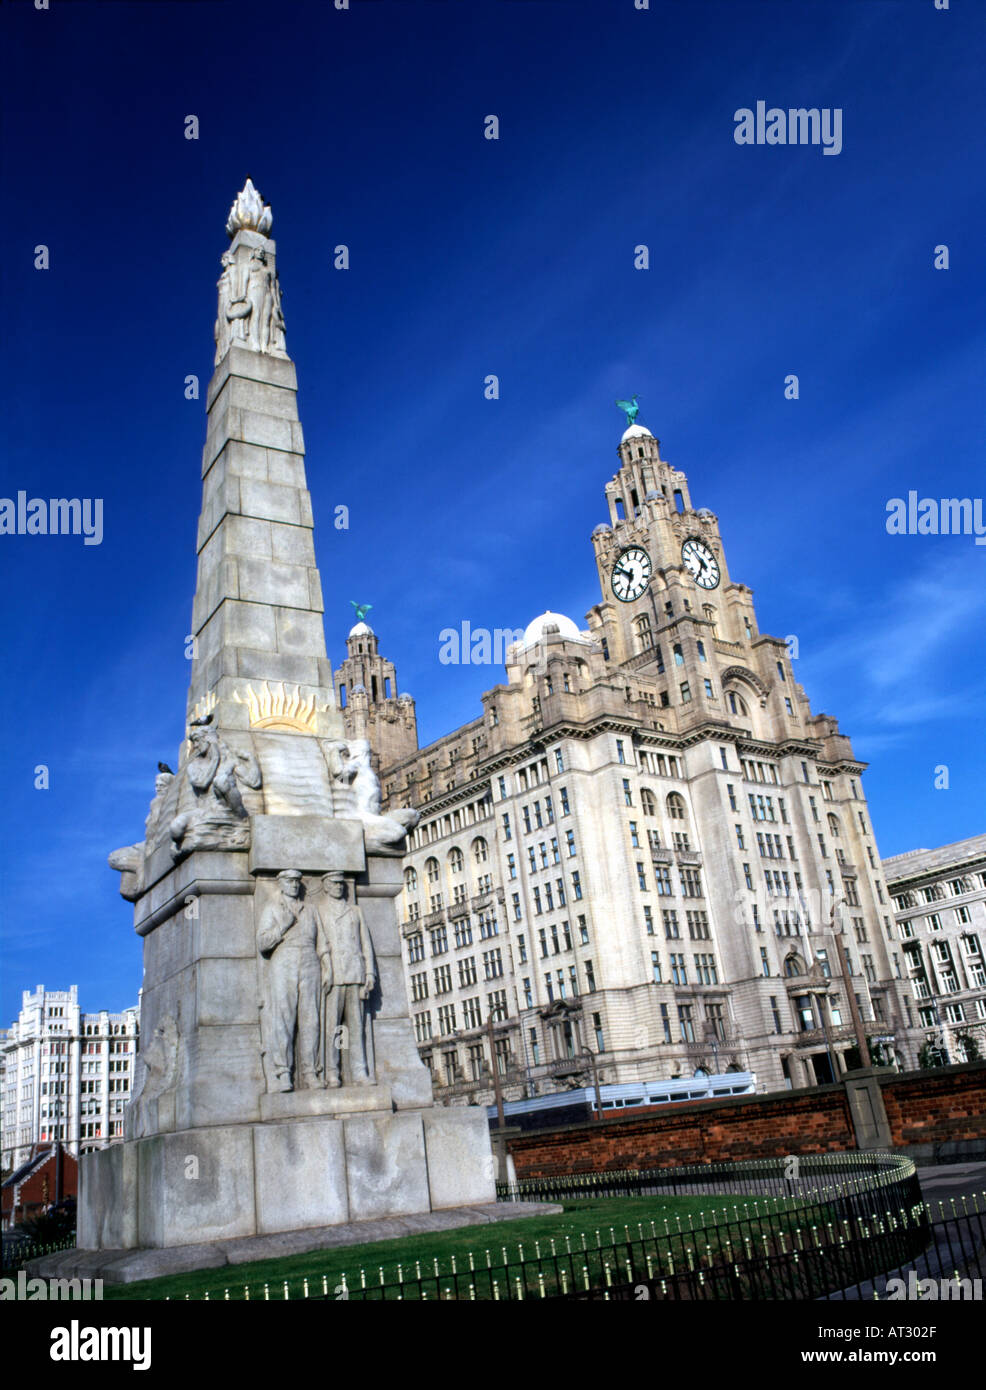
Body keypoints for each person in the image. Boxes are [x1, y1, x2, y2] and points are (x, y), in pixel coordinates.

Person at [257, 871, 329, 1093]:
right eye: (289, 881)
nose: (294, 885)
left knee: (312, 1019)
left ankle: (311, 1072)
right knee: (284, 1018)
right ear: (280, 884)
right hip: (283, 960)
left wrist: (327, 966)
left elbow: (322, 942)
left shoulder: (311, 909)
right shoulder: (272, 908)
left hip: (309, 961)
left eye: (297, 881)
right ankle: (282, 1071)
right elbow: (262, 943)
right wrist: (284, 926)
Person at [321, 872, 376, 1086]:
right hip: (334, 976)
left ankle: (359, 1071)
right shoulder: (321, 911)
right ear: (325, 886)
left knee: (356, 1026)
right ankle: (333, 1071)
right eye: (333, 883)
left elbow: (365, 944)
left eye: (340, 883)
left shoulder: (355, 911)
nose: (338, 887)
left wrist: (369, 972)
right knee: (335, 1028)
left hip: (355, 973)